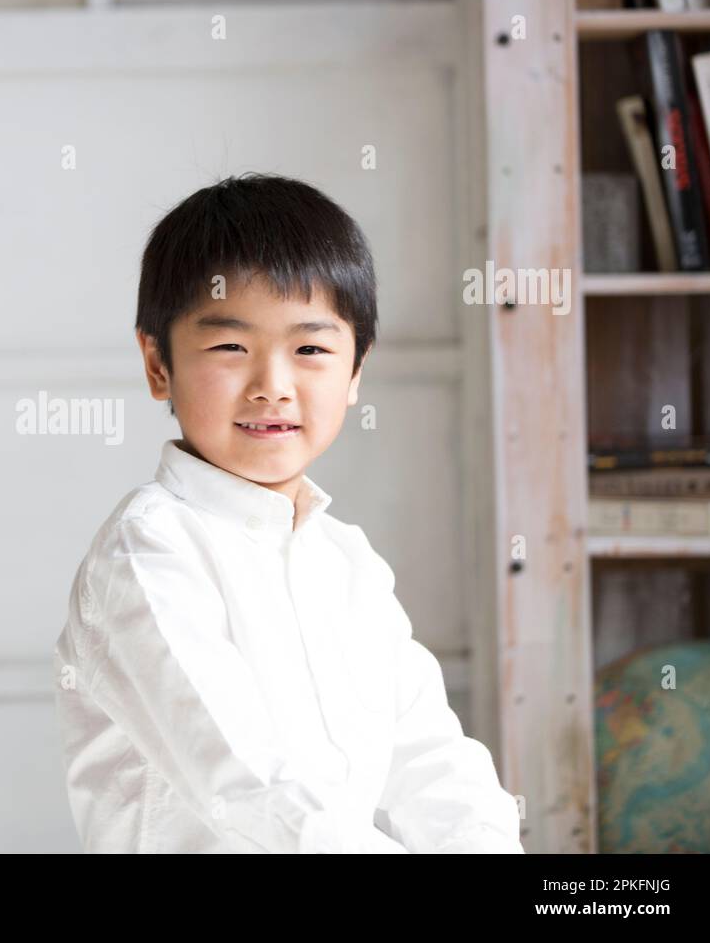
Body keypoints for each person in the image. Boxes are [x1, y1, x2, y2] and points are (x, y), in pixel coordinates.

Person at [52, 173, 525, 853]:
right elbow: (253, 790)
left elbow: (432, 762)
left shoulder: (348, 562)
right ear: (158, 363)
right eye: (229, 347)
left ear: (356, 368)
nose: (272, 386)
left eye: (310, 349)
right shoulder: (147, 555)